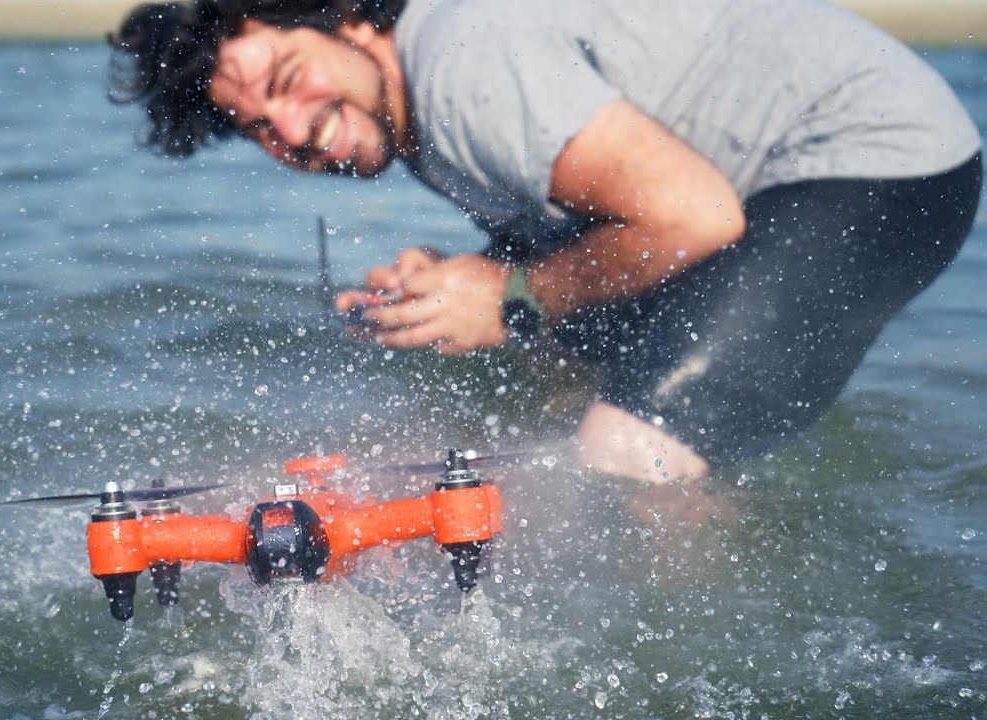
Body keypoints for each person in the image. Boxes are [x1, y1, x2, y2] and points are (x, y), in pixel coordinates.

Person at [106, 0, 982, 484]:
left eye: (287, 80)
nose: (293, 129)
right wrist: (466, 289)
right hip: (757, 188)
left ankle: (694, 667)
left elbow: (692, 216)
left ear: (343, 18)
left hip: (876, 162)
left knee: (627, 449)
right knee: (549, 379)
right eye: (257, 127)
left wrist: (511, 295)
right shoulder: (417, 117)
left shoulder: (460, 68)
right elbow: (585, 239)